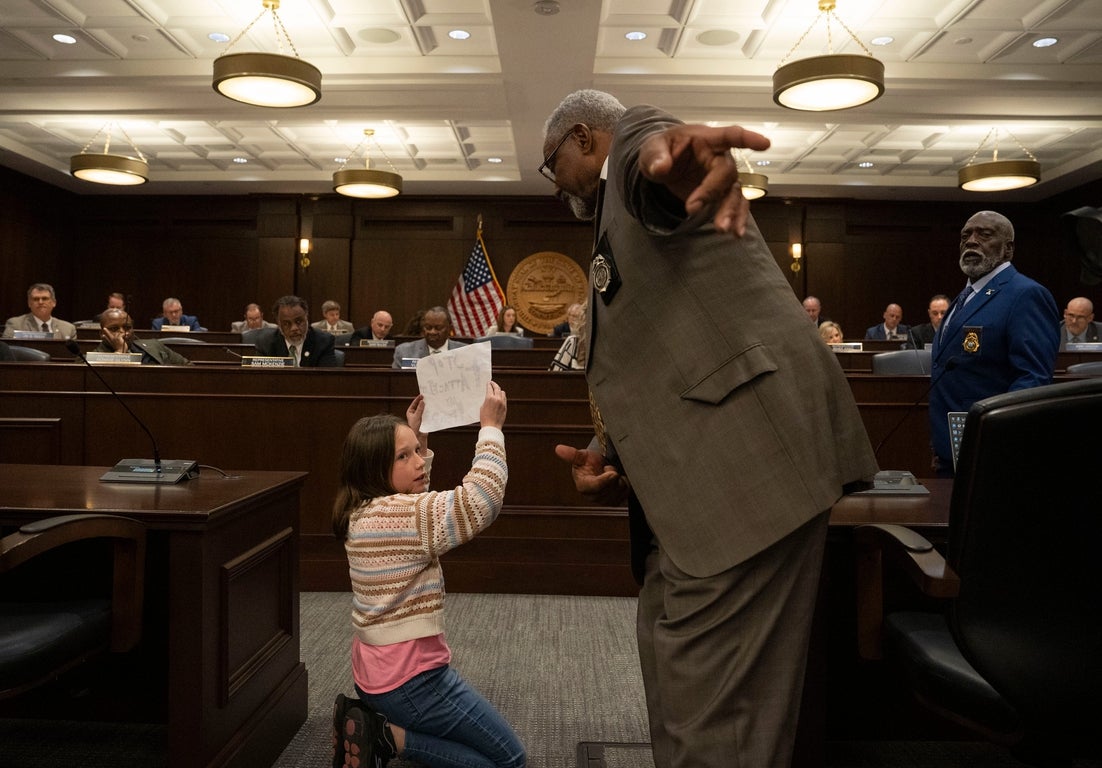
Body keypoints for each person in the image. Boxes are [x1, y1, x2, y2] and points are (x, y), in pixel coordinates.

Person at [539, 89, 877, 768]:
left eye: (553, 166)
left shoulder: (635, 143)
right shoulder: (610, 222)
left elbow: (656, 162)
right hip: (696, 495)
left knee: (717, 722)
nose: (556, 187)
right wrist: (611, 459)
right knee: (673, 671)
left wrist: (679, 162)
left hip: (747, 475)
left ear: (582, 136)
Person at [329, 385, 526, 768]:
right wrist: (490, 429)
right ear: (374, 469)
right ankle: (387, 738)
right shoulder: (403, 518)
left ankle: (376, 721)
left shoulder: (362, 509)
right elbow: (481, 499)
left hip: (375, 677)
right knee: (511, 761)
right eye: (404, 456)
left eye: (417, 452)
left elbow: (417, 512)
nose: (419, 461)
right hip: (411, 684)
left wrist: (416, 436)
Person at [929, 210, 1060, 476]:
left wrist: (995, 435)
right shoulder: (965, 296)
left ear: (1008, 249)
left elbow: (1032, 379)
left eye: (984, 235)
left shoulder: (1025, 294)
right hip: (951, 448)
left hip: (991, 451)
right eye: (966, 235)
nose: (972, 241)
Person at [250, 295, 339, 367]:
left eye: (299, 321)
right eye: (286, 324)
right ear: (279, 324)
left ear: (306, 318)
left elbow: (328, 381)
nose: (294, 328)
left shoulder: (323, 342)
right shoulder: (266, 343)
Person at [94, 308, 191, 365]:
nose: (124, 333)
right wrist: (120, 352)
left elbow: (189, 368)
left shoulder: (154, 345)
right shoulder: (94, 359)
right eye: (114, 329)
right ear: (102, 334)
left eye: (127, 327)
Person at [392, 307, 466, 369]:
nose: (432, 332)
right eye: (428, 327)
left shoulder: (465, 352)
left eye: (438, 328)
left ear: (450, 328)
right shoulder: (404, 352)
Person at [3, 283, 77, 340]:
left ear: (54, 303)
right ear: (29, 303)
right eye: (36, 299)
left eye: (45, 298)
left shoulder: (68, 329)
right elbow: (6, 354)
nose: (40, 302)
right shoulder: (16, 325)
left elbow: (75, 358)